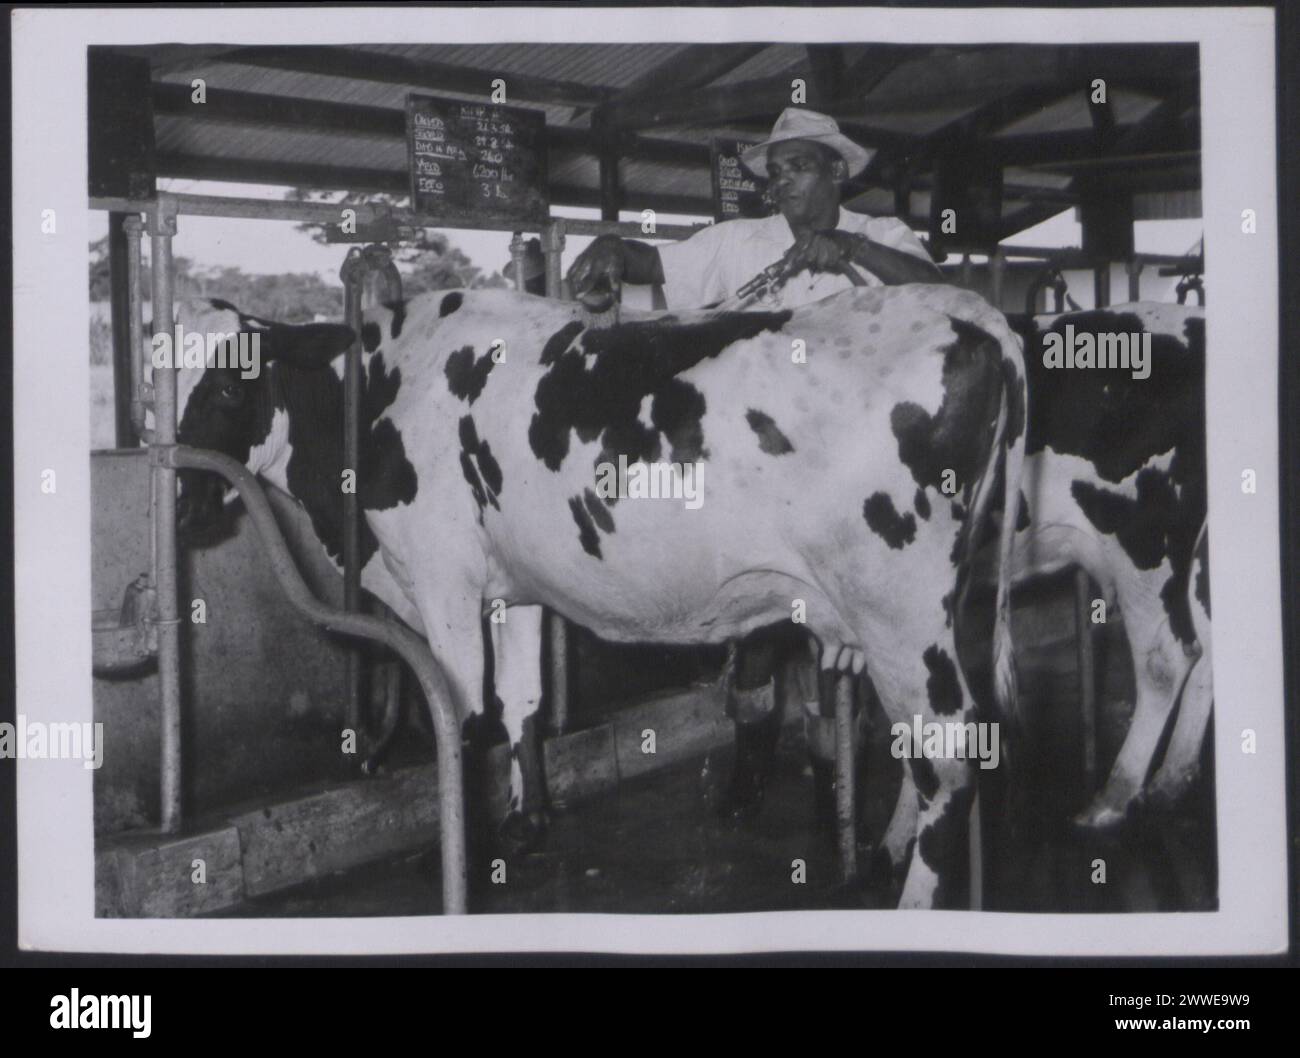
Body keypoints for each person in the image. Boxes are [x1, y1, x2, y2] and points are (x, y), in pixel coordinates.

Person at [566, 108, 945, 822]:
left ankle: (848, 773)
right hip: (760, 488)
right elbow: (661, 264)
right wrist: (616, 248)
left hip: (857, 484)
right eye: (774, 175)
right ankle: (753, 760)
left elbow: (941, 293)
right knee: (760, 639)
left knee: (859, 643)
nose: (781, 187)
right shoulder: (745, 245)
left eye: (796, 169)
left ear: (836, 170)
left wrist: (847, 249)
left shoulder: (885, 239)